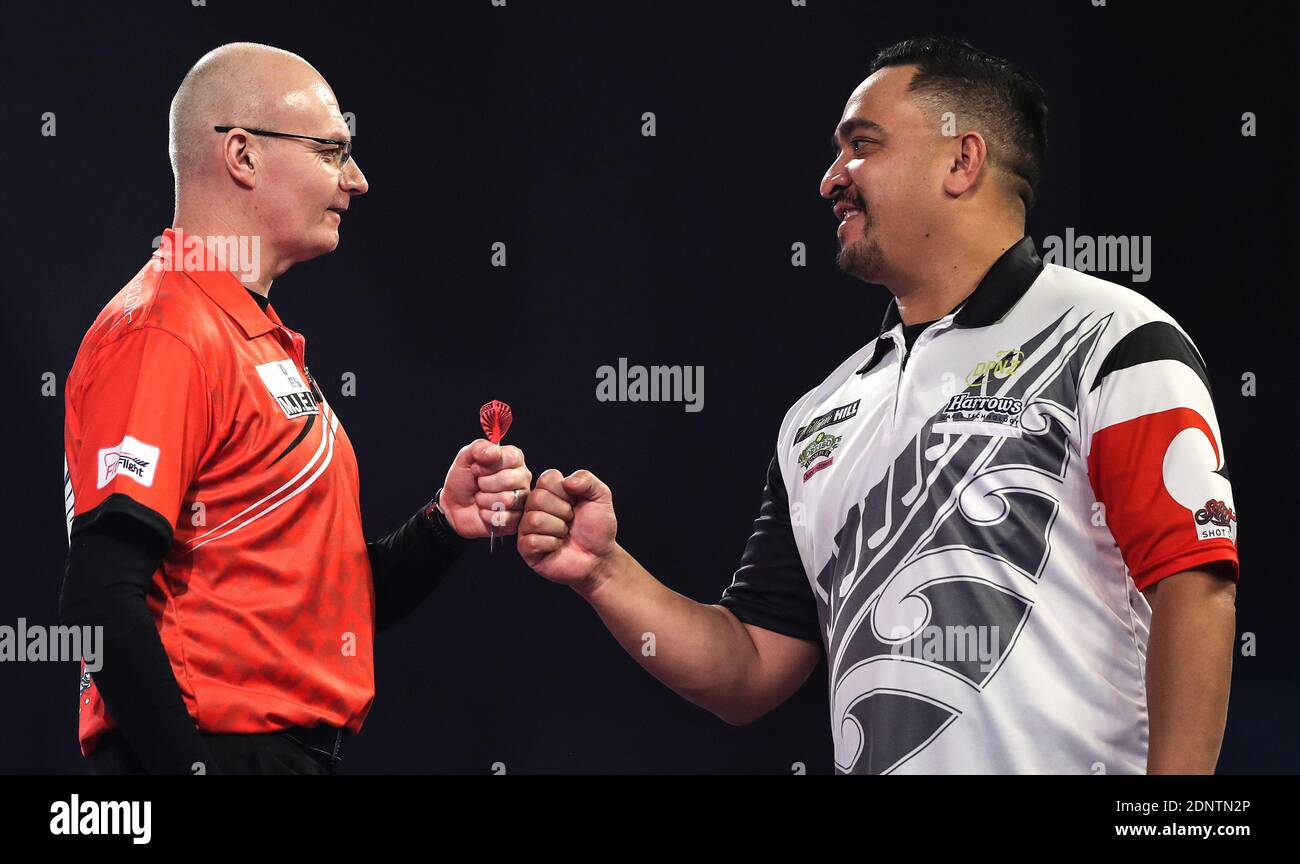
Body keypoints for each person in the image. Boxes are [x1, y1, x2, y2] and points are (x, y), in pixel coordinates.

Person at [517, 36, 1239, 774]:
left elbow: (1195, 584)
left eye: (862, 145)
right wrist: (604, 571)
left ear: (963, 160)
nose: (832, 179)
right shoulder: (819, 414)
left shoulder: (1112, 337)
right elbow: (750, 668)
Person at [59, 42, 532, 774]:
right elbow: (97, 598)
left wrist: (443, 526)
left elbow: (311, 614)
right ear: (242, 155)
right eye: (331, 149)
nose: (358, 180)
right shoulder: (166, 330)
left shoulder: (251, 340)